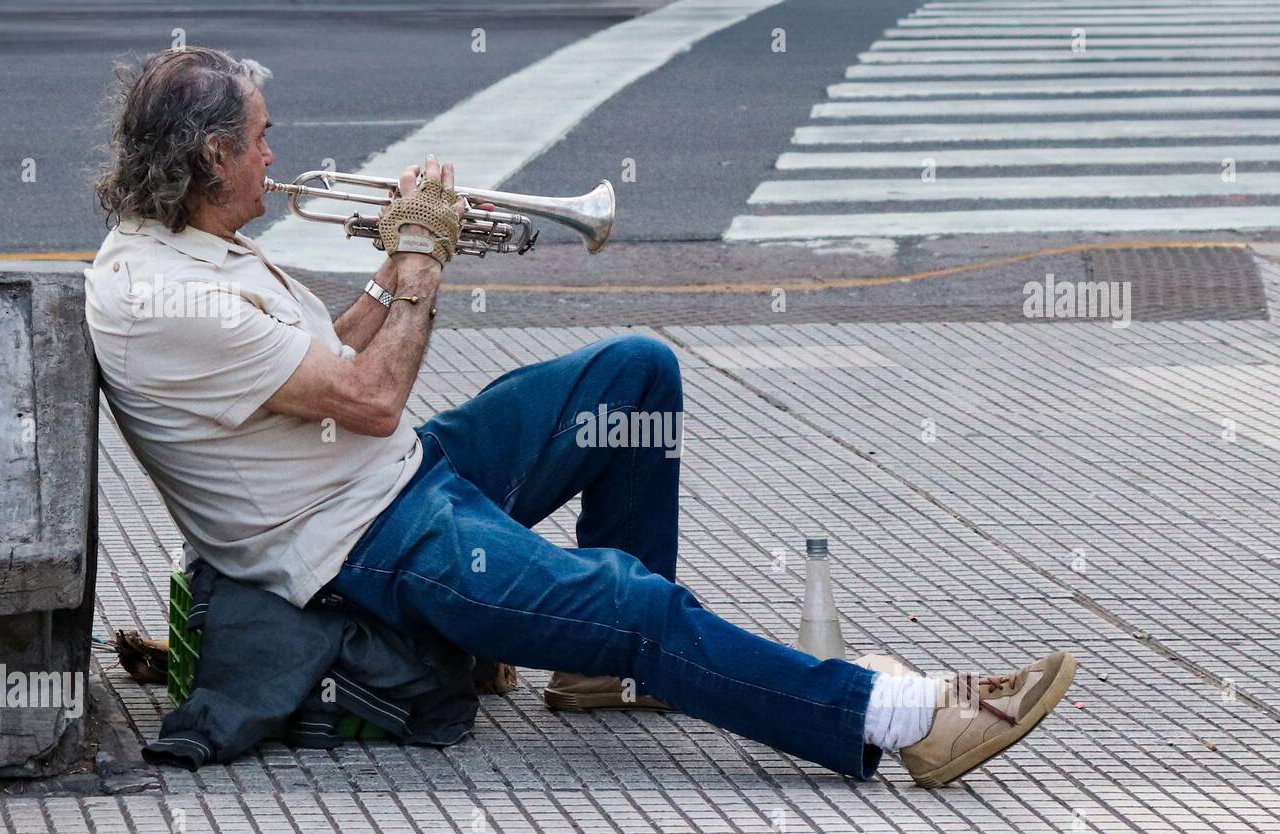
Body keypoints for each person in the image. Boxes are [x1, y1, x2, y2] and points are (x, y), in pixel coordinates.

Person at [84, 46, 1076, 789]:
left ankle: (605, 674)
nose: (274, 156)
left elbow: (325, 363)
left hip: (387, 473)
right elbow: (371, 396)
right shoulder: (164, 296)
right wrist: (424, 264)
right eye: (260, 140)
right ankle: (900, 719)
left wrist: (390, 272)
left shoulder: (193, 250)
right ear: (214, 154)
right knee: (635, 605)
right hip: (360, 542)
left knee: (633, 374)